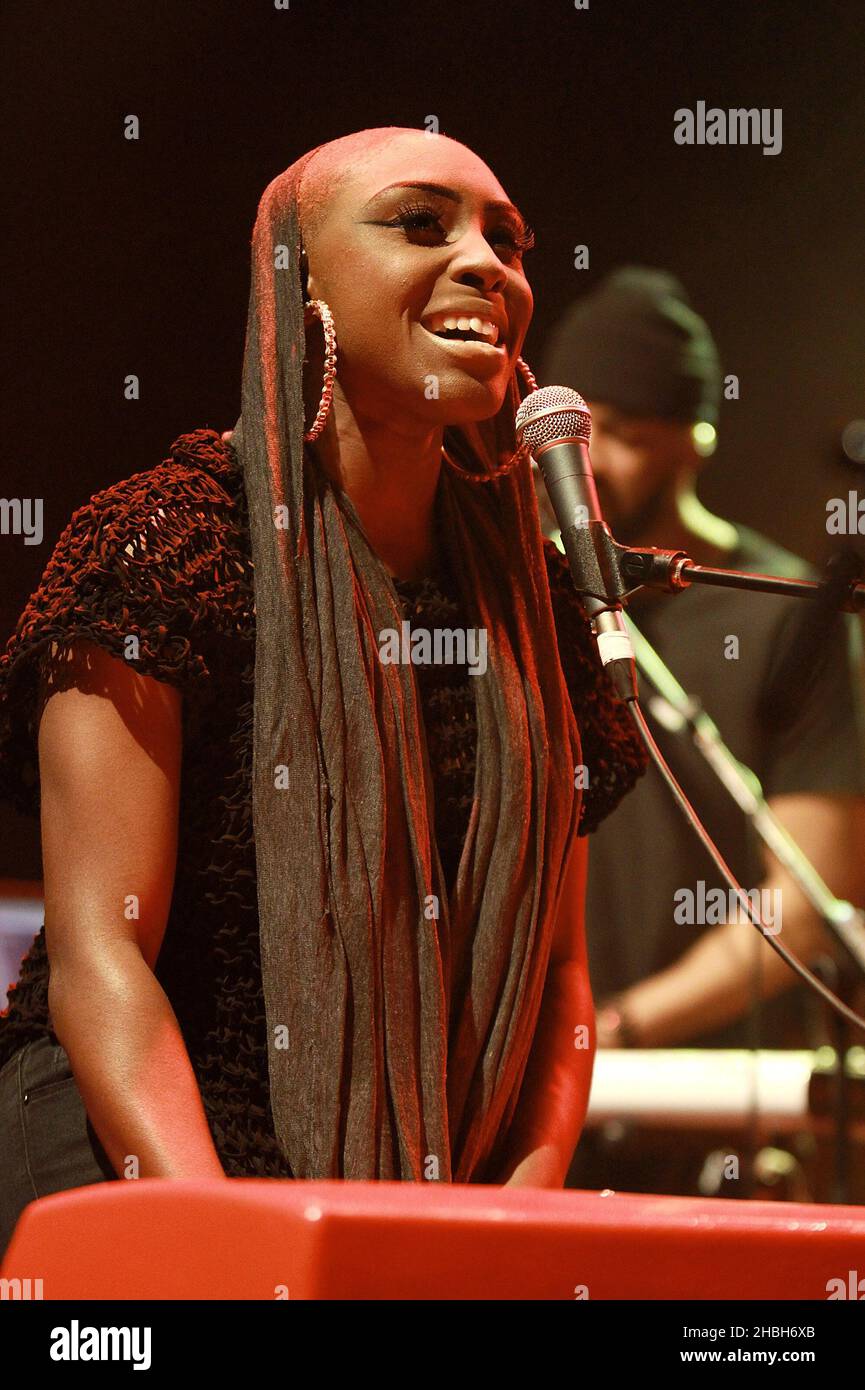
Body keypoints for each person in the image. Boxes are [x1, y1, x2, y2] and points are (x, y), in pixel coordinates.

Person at [0, 128, 648, 1257]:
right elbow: (103, 963)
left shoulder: (537, 604)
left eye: (507, 242)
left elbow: (556, 982)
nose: (486, 264)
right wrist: (227, 1240)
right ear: (301, 287)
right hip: (128, 1165)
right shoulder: (167, 548)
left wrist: (514, 1223)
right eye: (420, 224)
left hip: (411, 1205)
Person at [535, 267, 865, 1194]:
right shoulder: (516, 600)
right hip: (536, 1095)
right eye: (573, 437)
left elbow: (809, 899)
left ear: (694, 442)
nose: (589, 467)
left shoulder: (786, 616)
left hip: (708, 1110)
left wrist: (618, 1027)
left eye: (623, 437)